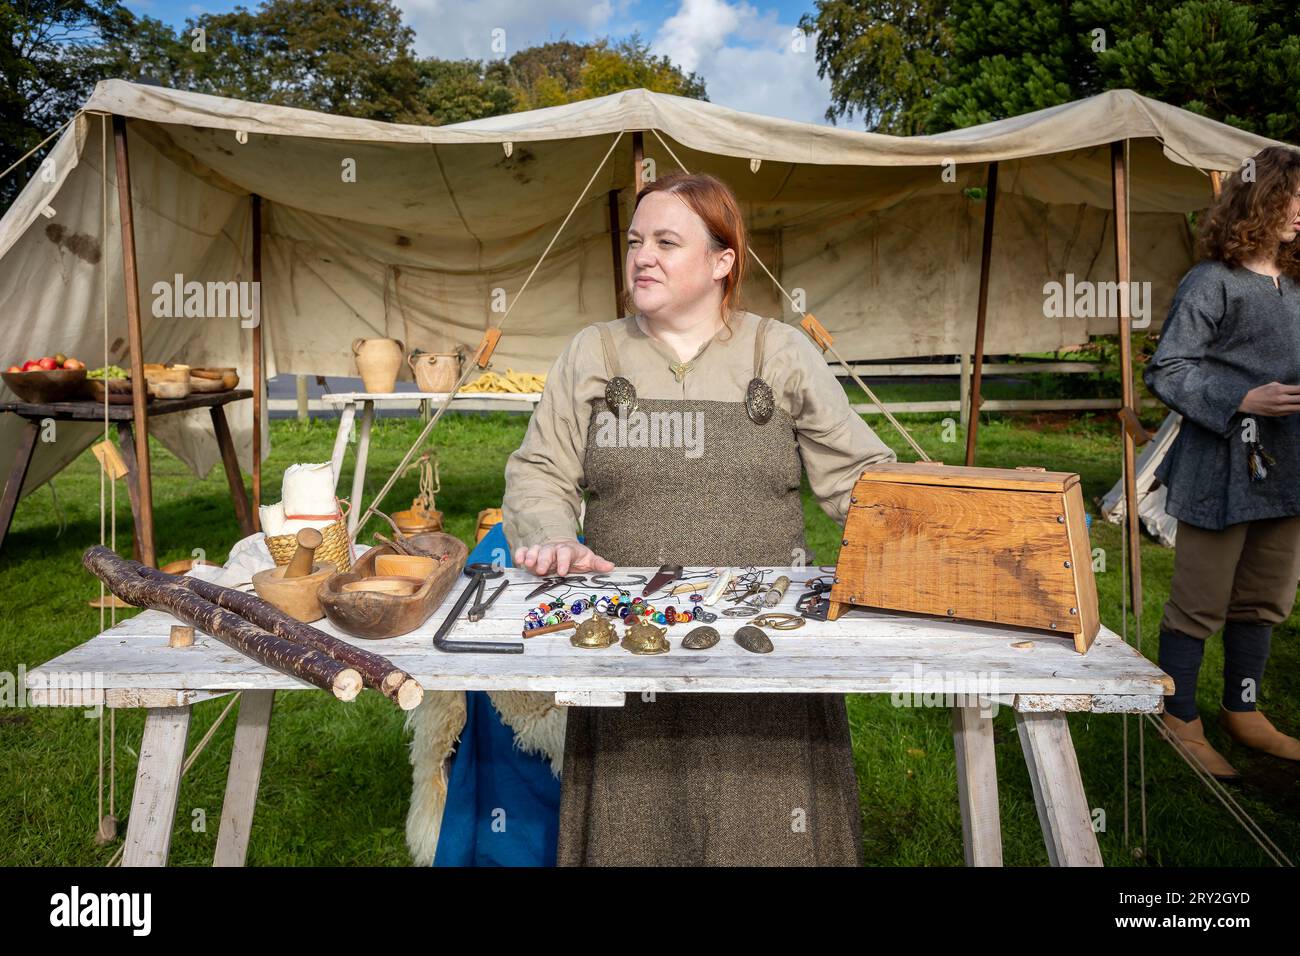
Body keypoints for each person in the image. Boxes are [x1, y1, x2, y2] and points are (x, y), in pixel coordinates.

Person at [501, 171, 896, 865]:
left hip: (764, 647)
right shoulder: (594, 352)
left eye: (665, 242)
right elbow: (540, 470)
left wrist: (944, 515)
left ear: (722, 262)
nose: (641, 257)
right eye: (634, 242)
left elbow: (859, 479)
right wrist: (553, 535)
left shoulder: (776, 352)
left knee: (772, 830)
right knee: (637, 827)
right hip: (631, 639)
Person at [1144, 145, 1300, 780]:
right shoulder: (1211, 281)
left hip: (1288, 468)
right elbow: (1168, 368)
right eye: (1295, 201)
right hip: (1221, 463)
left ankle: (1244, 711)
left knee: (1264, 599)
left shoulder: (1295, 282)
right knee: (1201, 600)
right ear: (1259, 200)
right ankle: (1178, 715)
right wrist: (1241, 397)